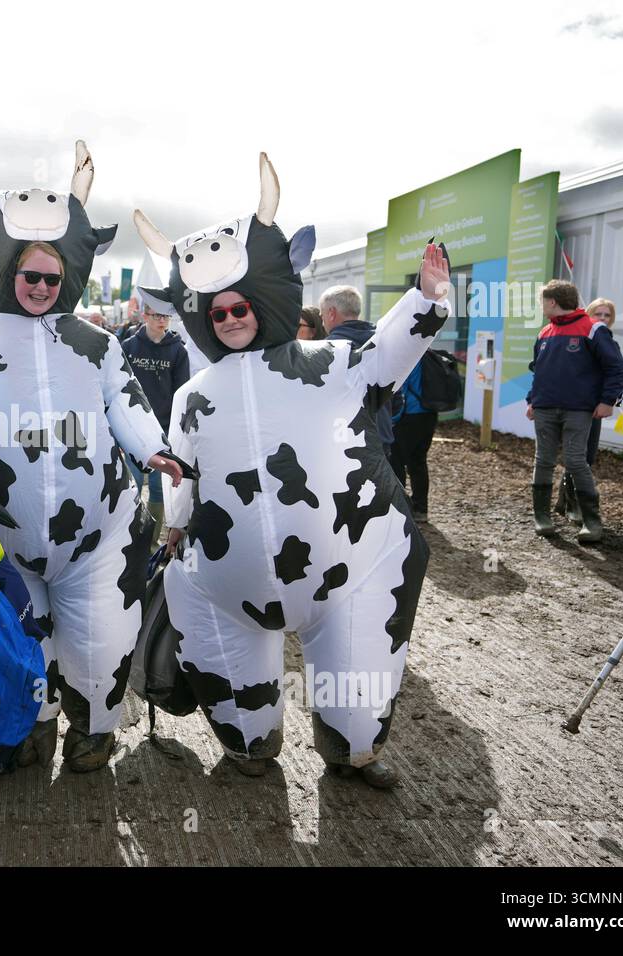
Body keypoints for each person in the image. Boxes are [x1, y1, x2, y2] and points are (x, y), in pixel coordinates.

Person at [137, 154, 449, 789]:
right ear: (202, 315)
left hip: (350, 574)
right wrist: (173, 530)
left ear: (263, 300)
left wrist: (427, 297)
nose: (230, 319)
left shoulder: (333, 361)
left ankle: (352, 750)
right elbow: (184, 475)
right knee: (245, 735)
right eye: (217, 312)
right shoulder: (193, 393)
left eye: (239, 306)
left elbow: (392, 350)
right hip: (228, 585)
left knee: (357, 725)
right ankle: (251, 745)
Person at [0, 139, 185, 774]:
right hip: (0, 537)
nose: (41, 287)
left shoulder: (96, 343)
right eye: (29, 276)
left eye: (51, 278)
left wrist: (155, 450)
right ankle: (33, 725)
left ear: (64, 278)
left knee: (99, 641)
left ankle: (94, 731)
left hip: (96, 533)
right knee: (22, 638)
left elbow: (126, 403)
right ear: (8, 275)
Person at [526, 280, 623, 543]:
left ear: (552, 302)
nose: (541, 306)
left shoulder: (593, 330)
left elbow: (617, 368)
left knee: (575, 461)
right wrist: (532, 400)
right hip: (544, 408)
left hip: (578, 410)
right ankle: (542, 517)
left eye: (542, 302)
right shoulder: (544, 333)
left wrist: (608, 401)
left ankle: (592, 522)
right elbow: (539, 370)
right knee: (543, 460)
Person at [122, 306, 190, 544]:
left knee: (160, 488)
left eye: (165, 316)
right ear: (145, 317)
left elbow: (182, 393)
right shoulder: (129, 347)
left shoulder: (178, 351)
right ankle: (130, 540)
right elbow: (118, 389)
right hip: (132, 429)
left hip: (164, 431)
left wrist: (176, 433)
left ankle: (150, 543)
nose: (162, 321)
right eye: (156, 316)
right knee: (132, 485)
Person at [557, 296, 621, 521]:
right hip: (574, 406)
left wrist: (608, 400)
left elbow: (615, 373)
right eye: (598, 314)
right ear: (588, 315)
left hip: (595, 408)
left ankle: (565, 499)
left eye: (607, 315)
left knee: (586, 455)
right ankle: (573, 504)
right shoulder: (578, 339)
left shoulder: (610, 343)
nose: (603, 319)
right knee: (578, 455)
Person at [323, 285, 396, 450]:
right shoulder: (383, 342)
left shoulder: (327, 349)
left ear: (331, 313)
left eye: (322, 316)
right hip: (380, 435)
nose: (323, 322)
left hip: (344, 439)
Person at [388, 359, 437, 523]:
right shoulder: (429, 357)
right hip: (429, 414)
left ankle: (400, 509)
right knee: (418, 461)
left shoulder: (411, 357)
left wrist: (393, 419)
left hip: (409, 416)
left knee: (396, 461)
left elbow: (401, 390)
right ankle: (421, 509)